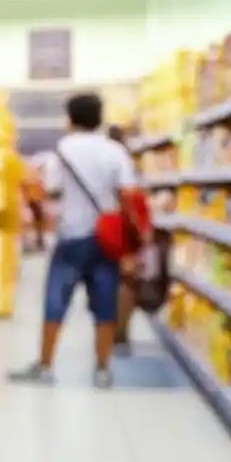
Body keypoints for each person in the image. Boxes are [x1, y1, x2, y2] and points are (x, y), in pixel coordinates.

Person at [9, 94, 141, 388]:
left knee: (55, 301)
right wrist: (131, 244)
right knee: (105, 305)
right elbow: (128, 196)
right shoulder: (115, 151)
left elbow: (53, 191)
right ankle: (103, 370)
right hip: (106, 239)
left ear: (69, 119)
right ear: (100, 117)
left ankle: (45, 367)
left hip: (71, 238)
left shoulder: (63, 152)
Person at [106, 125, 137, 355]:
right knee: (126, 281)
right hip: (124, 227)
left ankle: (109, 328)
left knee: (107, 281)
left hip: (106, 227)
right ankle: (121, 331)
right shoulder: (125, 159)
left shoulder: (105, 156)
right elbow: (130, 196)